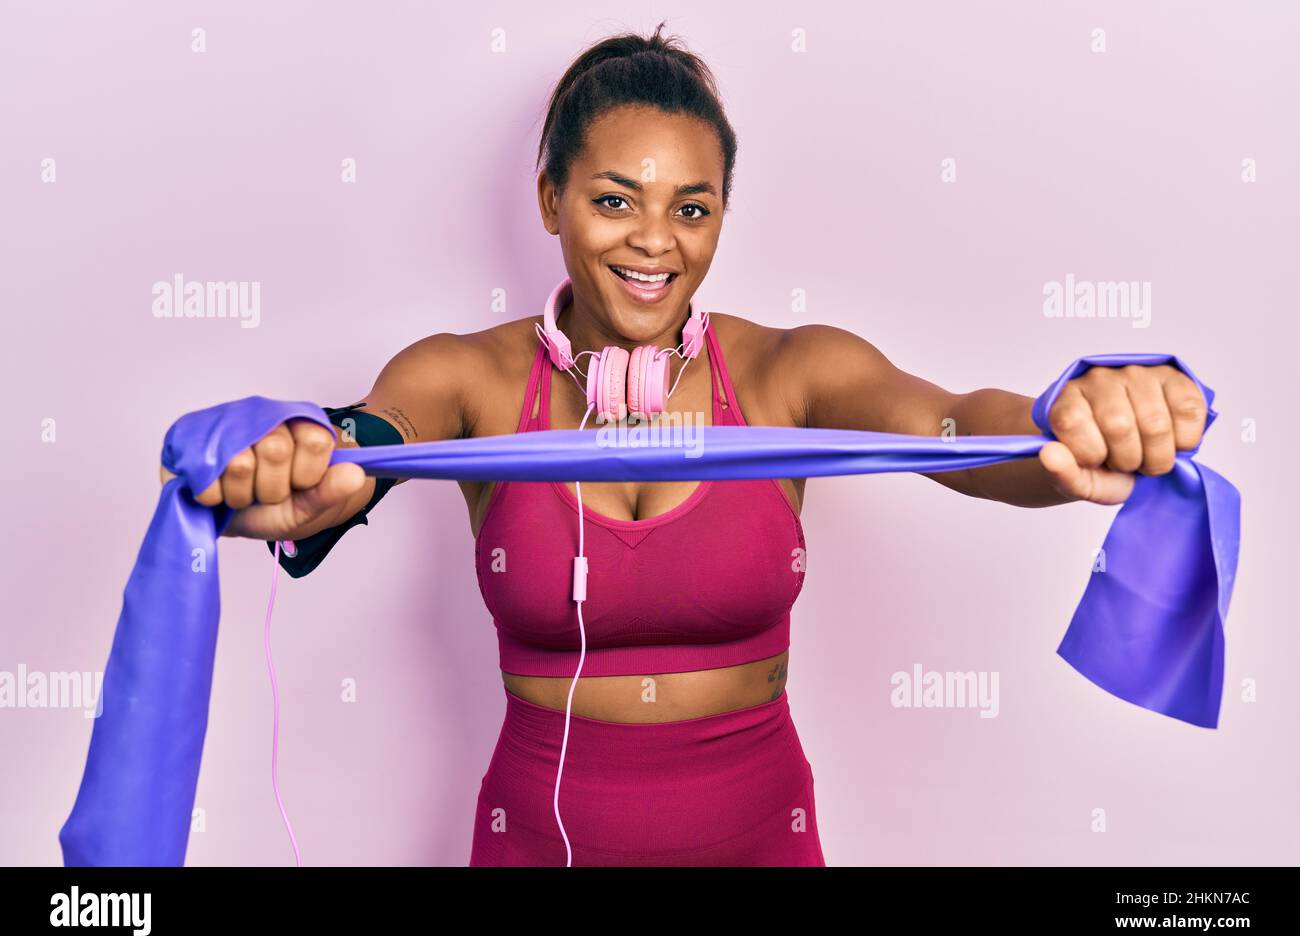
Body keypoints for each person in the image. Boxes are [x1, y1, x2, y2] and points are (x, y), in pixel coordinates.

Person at [161, 25, 1209, 866]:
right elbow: (366, 441)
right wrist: (301, 459)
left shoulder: (795, 369)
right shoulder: (467, 377)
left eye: (690, 208)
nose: (656, 241)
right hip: (533, 841)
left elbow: (949, 426)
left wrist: (1070, 420)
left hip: (762, 838)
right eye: (615, 199)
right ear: (550, 199)